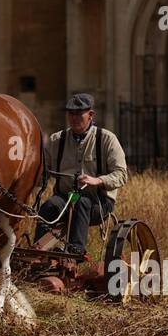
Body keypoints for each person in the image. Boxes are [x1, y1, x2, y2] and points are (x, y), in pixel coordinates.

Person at [37, 93, 129, 254]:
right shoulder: (56, 140)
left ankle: (75, 252)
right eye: (70, 114)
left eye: (79, 114)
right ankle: (38, 252)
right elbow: (43, 171)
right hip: (65, 199)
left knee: (82, 203)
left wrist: (98, 180)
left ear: (91, 115)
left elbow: (121, 174)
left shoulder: (106, 139)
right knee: (49, 206)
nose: (74, 118)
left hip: (98, 203)